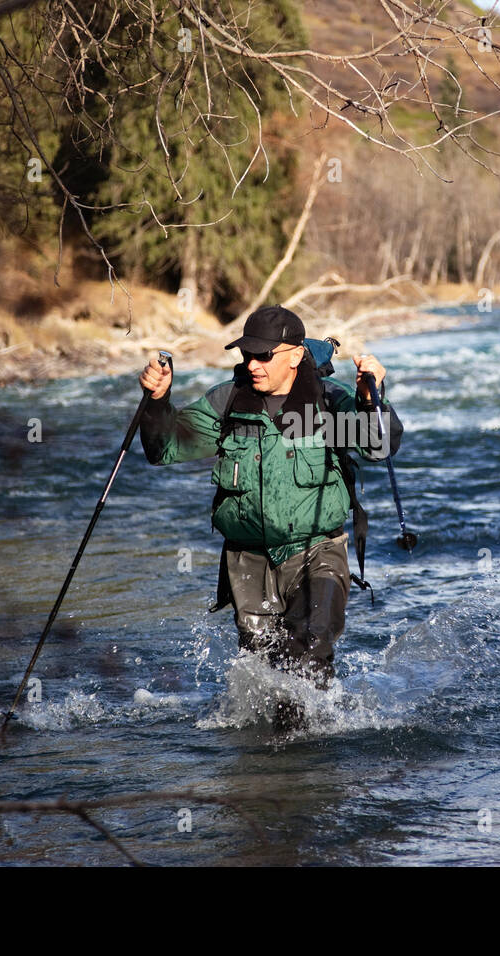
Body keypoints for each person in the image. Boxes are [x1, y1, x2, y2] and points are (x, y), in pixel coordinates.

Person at [138, 304, 402, 730]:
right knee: (264, 672)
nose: (253, 364)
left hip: (318, 550)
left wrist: (374, 399)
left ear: (296, 356)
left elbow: (379, 447)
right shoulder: (228, 401)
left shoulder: (329, 401)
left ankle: (312, 753)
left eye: (265, 355)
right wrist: (157, 401)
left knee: (312, 641)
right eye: (247, 355)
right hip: (247, 562)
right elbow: (164, 448)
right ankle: (276, 764)